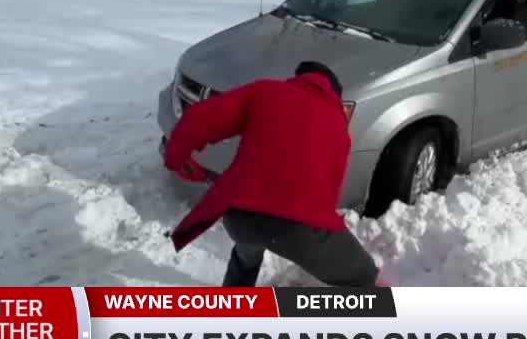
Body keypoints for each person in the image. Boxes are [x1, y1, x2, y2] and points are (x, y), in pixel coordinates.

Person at [163, 61, 380, 287]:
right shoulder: (339, 126)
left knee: (246, 256)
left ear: (300, 78)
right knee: (364, 276)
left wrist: (175, 159)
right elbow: (330, 190)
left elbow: (200, 117)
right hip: (299, 228)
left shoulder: (266, 90)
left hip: (240, 215)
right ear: (334, 94)